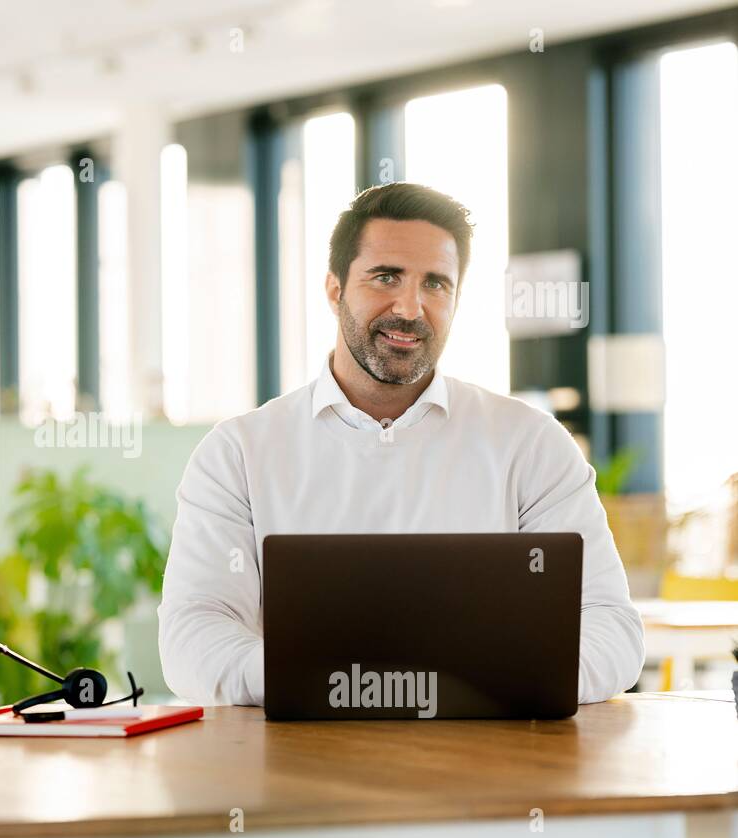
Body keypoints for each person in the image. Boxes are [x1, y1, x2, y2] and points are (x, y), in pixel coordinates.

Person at [158, 181, 644, 707]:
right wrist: (345, 683)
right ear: (334, 289)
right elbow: (193, 636)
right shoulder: (237, 454)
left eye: (435, 283)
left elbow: (611, 629)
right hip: (299, 771)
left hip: (487, 771)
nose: (410, 308)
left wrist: (450, 680)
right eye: (386, 276)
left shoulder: (531, 445)